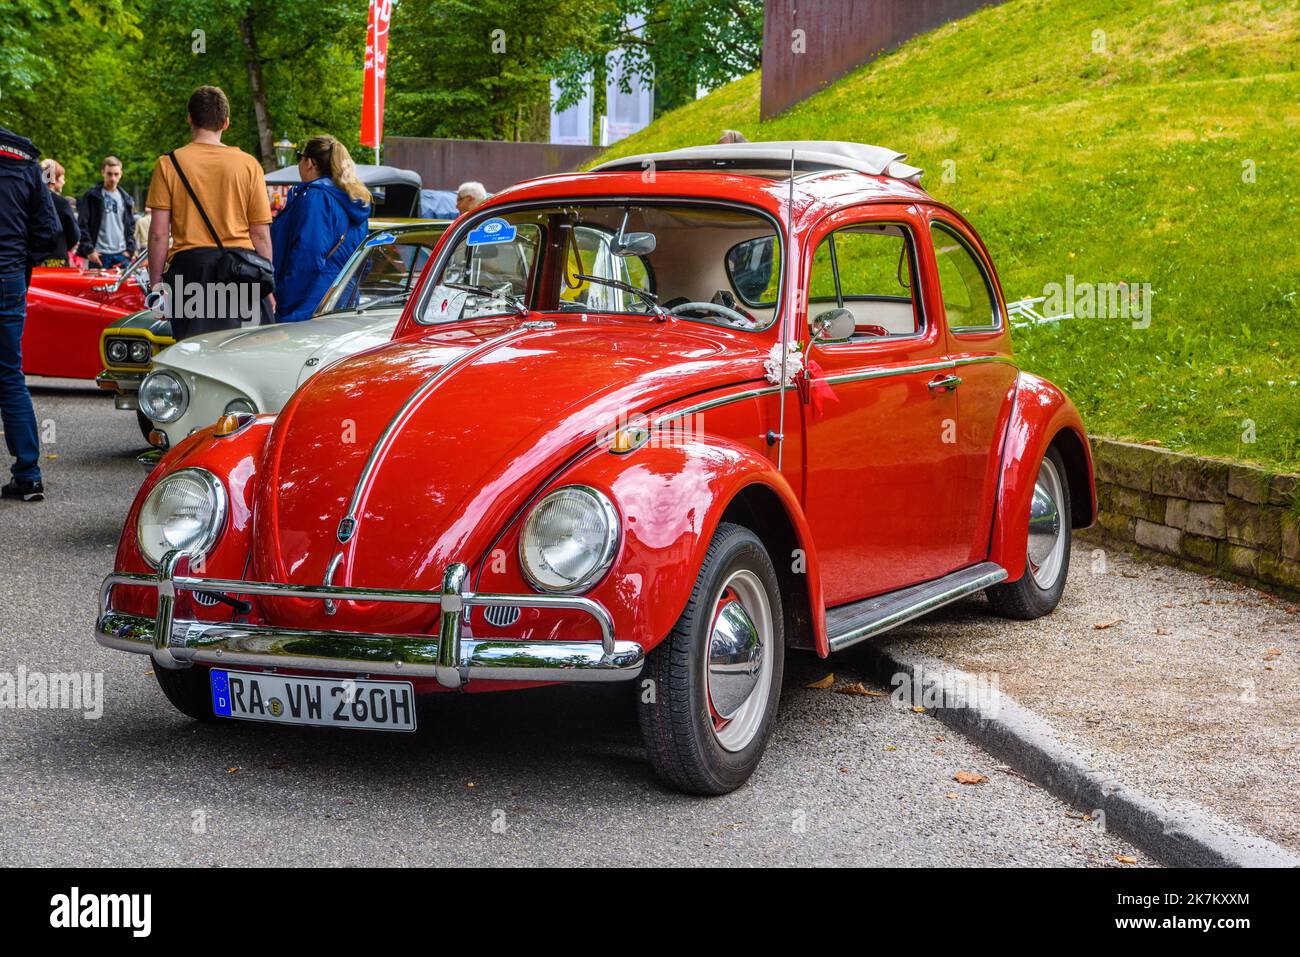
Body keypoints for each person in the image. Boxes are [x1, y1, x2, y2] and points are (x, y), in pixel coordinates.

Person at [145, 85, 274, 340]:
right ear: (225, 122)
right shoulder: (249, 165)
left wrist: (156, 284)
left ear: (190, 118)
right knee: (241, 353)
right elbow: (260, 234)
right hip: (241, 271)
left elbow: (159, 234)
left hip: (190, 272)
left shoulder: (168, 164)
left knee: (192, 352)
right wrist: (268, 284)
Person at [0, 126, 59, 502]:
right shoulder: (22, 159)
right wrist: (24, 262)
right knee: (9, 374)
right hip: (8, 275)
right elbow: (49, 230)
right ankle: (29, 473)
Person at [270, 135, 371, 323]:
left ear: (310, 163)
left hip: (307, 308)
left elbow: (307, 257)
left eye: (300, 156)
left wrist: (282, 301)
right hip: (342, 303)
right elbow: (363, 264)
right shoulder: (355, 200)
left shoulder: (316, 198)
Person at [77, 155, 136, 268]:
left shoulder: (127, 199)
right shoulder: (91, 196)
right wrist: (89, 250)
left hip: (122, 255)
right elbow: (82, 224)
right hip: (99, 255)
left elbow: (131, 226)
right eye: (109, 174)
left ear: (121, 174)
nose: (113, 178)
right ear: (103, 172)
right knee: (96, 286)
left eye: (116, 174)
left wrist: (130, 250)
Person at [38, 158, 80, 267]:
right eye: (62, 178)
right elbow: (75, 234)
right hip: (57, 259)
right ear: (54, 179)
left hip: (34, 259)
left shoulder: (30, 201)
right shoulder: (61, 203)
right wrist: (64, 245)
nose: (63, 182)